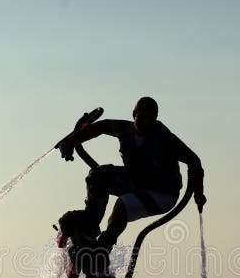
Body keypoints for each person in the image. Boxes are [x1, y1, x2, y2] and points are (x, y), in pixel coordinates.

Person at [58, 97, 206, 259]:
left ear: (155, 119)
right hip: (136, 181)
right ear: (134, 114)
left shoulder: (165, 138)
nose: (146, 122)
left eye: (151, 119)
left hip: (162, 193)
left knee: (122, 205)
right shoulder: (124, 129)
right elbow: (101, 127)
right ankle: (90, 224)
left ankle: (102, 250)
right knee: (98, 175)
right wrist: (72, 141)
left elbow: (194, 161)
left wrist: (198, 193)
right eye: (142, 117)